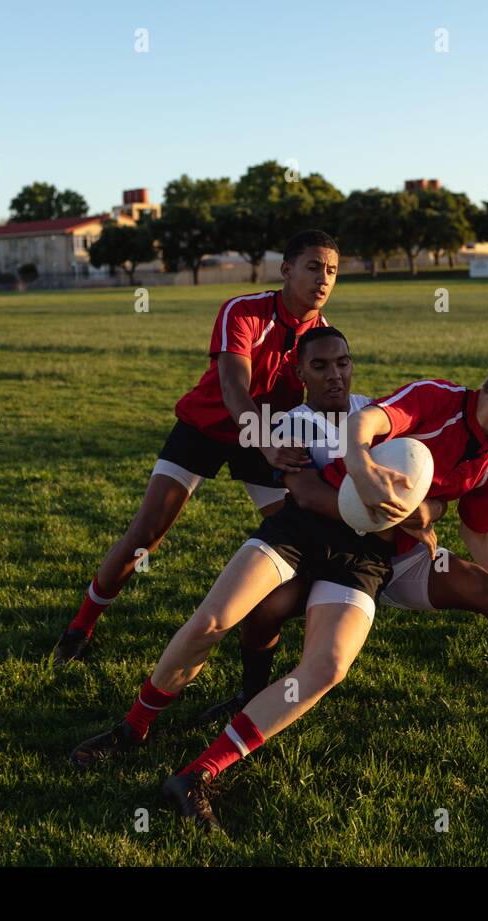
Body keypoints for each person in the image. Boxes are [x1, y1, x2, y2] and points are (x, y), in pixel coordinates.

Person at [70, 346, 488, 834]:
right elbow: (366, 426)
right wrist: (362, 471)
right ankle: (132, 729)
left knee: (330, 666)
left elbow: (478, 533)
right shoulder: (435, 398)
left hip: (370, 557)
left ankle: (196, 776)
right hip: (305, 526)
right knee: (214, 621)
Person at [53, 231, 339, 662]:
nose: (323, 279)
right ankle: (81, 626)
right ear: (286, 270)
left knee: (300, 535)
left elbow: (324, 403)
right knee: (147, 533)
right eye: (313, 267)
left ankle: (277, 637)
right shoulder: (242, 310)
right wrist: (266, 446)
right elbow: (232, 389)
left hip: (267, 438)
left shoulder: (322, 336)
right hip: (208, 427)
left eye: (332, 271)